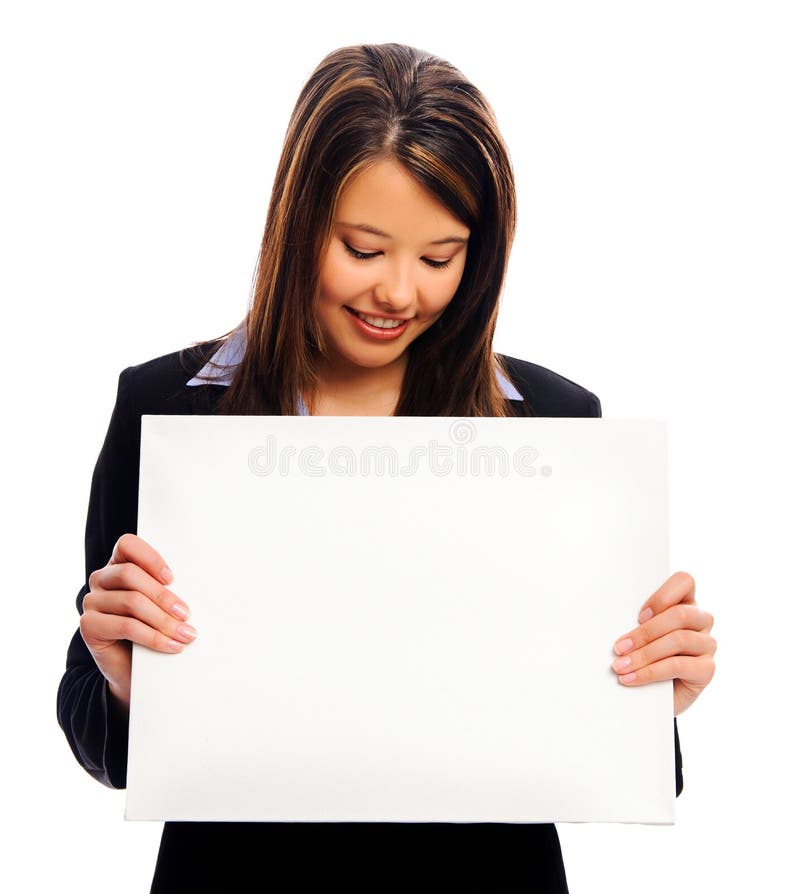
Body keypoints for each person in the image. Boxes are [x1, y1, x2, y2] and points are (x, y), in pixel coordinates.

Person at [57, 42, 716, 892]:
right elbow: (95, 732)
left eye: (440, 258)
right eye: (364, 249)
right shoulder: (167, 407)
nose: (400, 294)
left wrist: (650, 694)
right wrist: (122, 681)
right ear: (297, 225)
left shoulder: (554, 425)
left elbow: (614, 758)